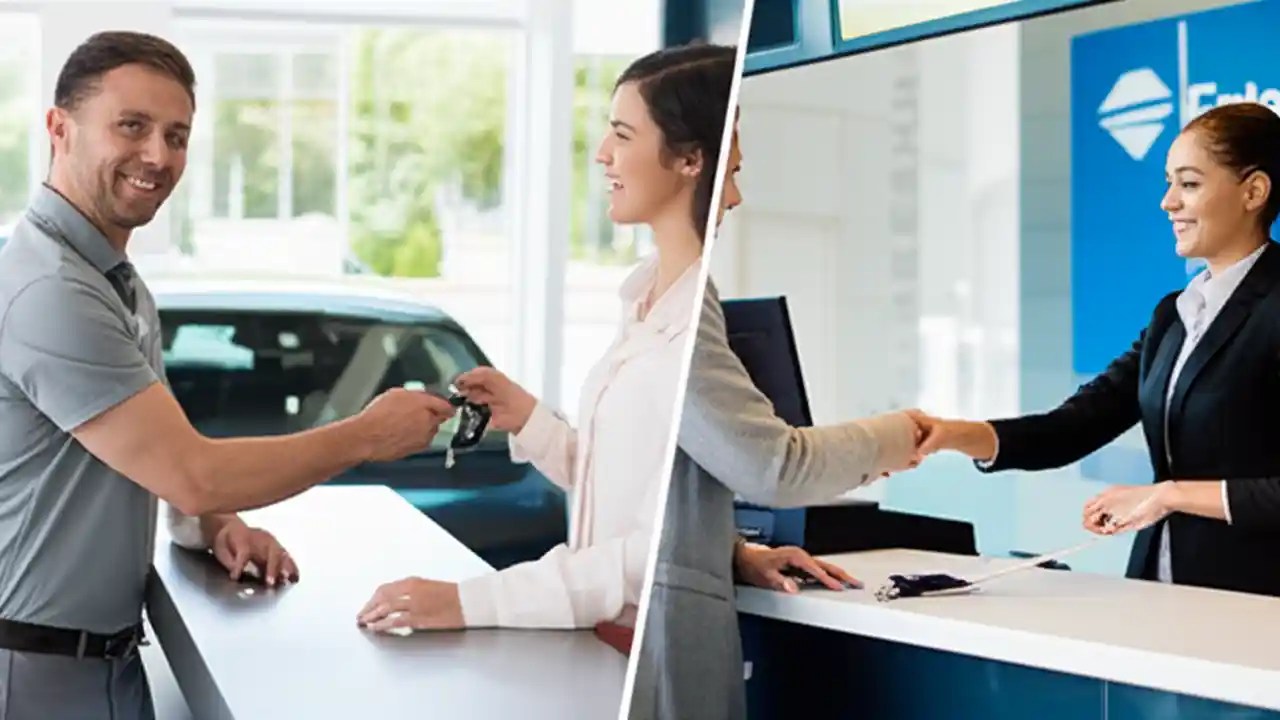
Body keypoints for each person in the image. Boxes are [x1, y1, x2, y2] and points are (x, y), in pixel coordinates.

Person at [0, 32, 453, 720]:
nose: (158, 155)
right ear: (59, 128)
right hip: (33, 675)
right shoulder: (50, 290)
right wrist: (364, 435)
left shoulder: (113, 281)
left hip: (99, 664)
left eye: (176, 135)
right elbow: (190, 471)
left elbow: (148, 456)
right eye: (132, 126)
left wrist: (213, 523)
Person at [355, 44, 743, 637]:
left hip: (649, 642)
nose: (602, 154)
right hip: (606, 640)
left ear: (690, 159)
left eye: (622, 135)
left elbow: (645, 556)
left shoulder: (692, 325)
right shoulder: (642, 299)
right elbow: (616, 484)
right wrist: (530, 419)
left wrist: (469, 602)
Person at [910, 102, 1280, 598]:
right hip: (1165, 593)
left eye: (1189, 184)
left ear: (1254, 191)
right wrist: (953, 434)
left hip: (1256, 605)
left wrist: (1168, 495)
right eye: (1168, 182)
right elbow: (1074, 425)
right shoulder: (1174, 314)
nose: (1168, 202)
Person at [627, 119, 925, 720]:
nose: (734, 196)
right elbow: (772, 465)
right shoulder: (658, 296)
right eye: (732, 172)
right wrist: (901, 434)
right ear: (690, 164)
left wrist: (730, 548)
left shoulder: (664, 292)